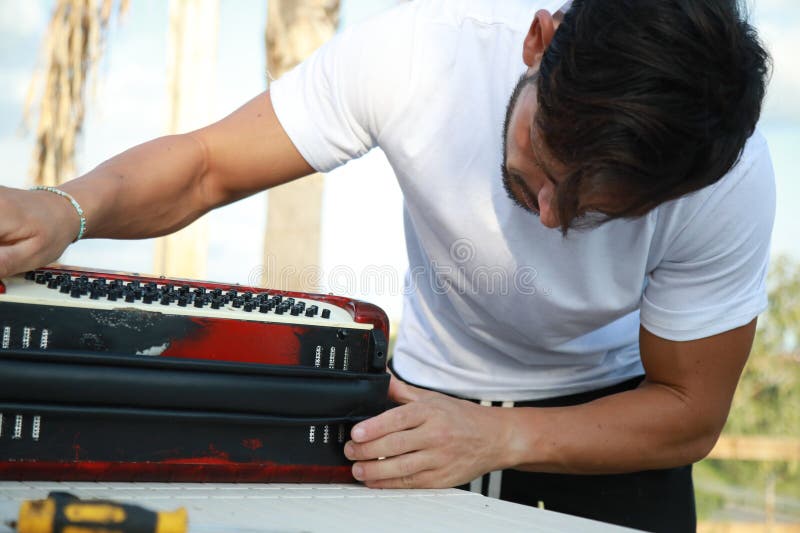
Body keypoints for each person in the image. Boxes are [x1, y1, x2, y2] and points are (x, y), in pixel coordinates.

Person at [0, 0, 773, 530]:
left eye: (596, 208)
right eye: (544, 161)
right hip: (412, 413)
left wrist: (502, 438)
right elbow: (208, 165)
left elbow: (687, 408)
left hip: (610, 432)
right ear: (538, 43)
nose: (547, 217)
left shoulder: (726, 180)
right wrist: (67, 208)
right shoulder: (419, 53)